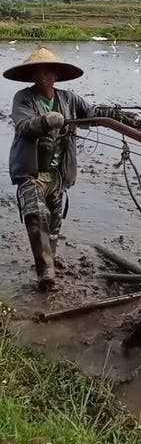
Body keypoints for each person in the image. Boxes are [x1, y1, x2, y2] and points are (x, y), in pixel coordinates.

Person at [3, 46, 112, 291]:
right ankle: (46, 274)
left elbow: (92, 114)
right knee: (36, 215)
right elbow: (23, 126)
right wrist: (45, 121)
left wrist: (113, 115)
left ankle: (48, 260)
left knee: (54, 223)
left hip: (57, 173)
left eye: (47, 72)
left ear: (56, 75)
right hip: (31, 171)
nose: (42, 77)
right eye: (37, 73)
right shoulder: (23, 98)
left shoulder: (69, 99)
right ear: (31, 76)